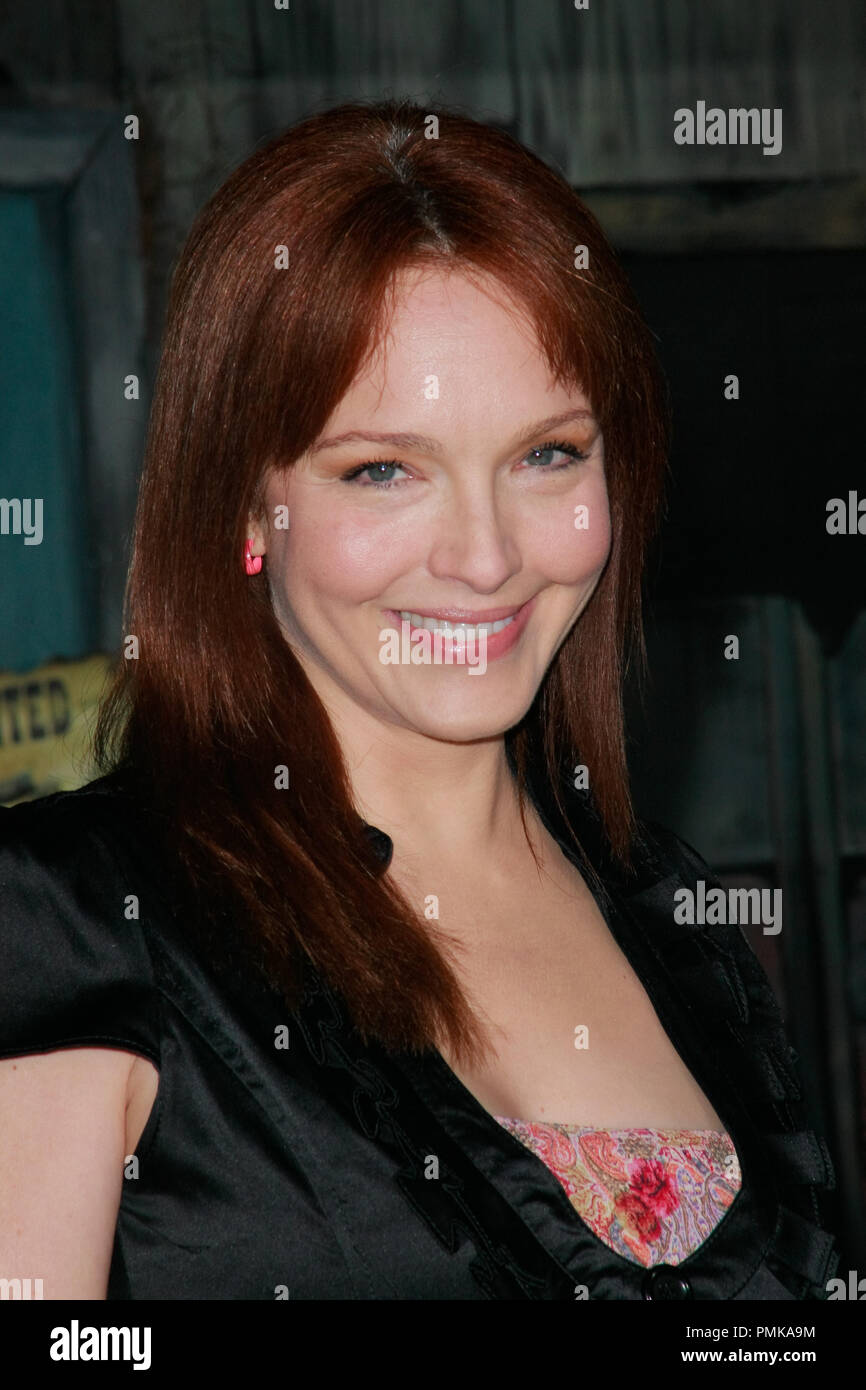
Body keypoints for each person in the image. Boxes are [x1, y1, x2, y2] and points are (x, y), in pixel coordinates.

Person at [0, 98, 837, 1300]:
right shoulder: (73, 919)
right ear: (243, 507)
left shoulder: (678, 926)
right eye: (384, 470)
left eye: (546, 453)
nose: (485, 557)